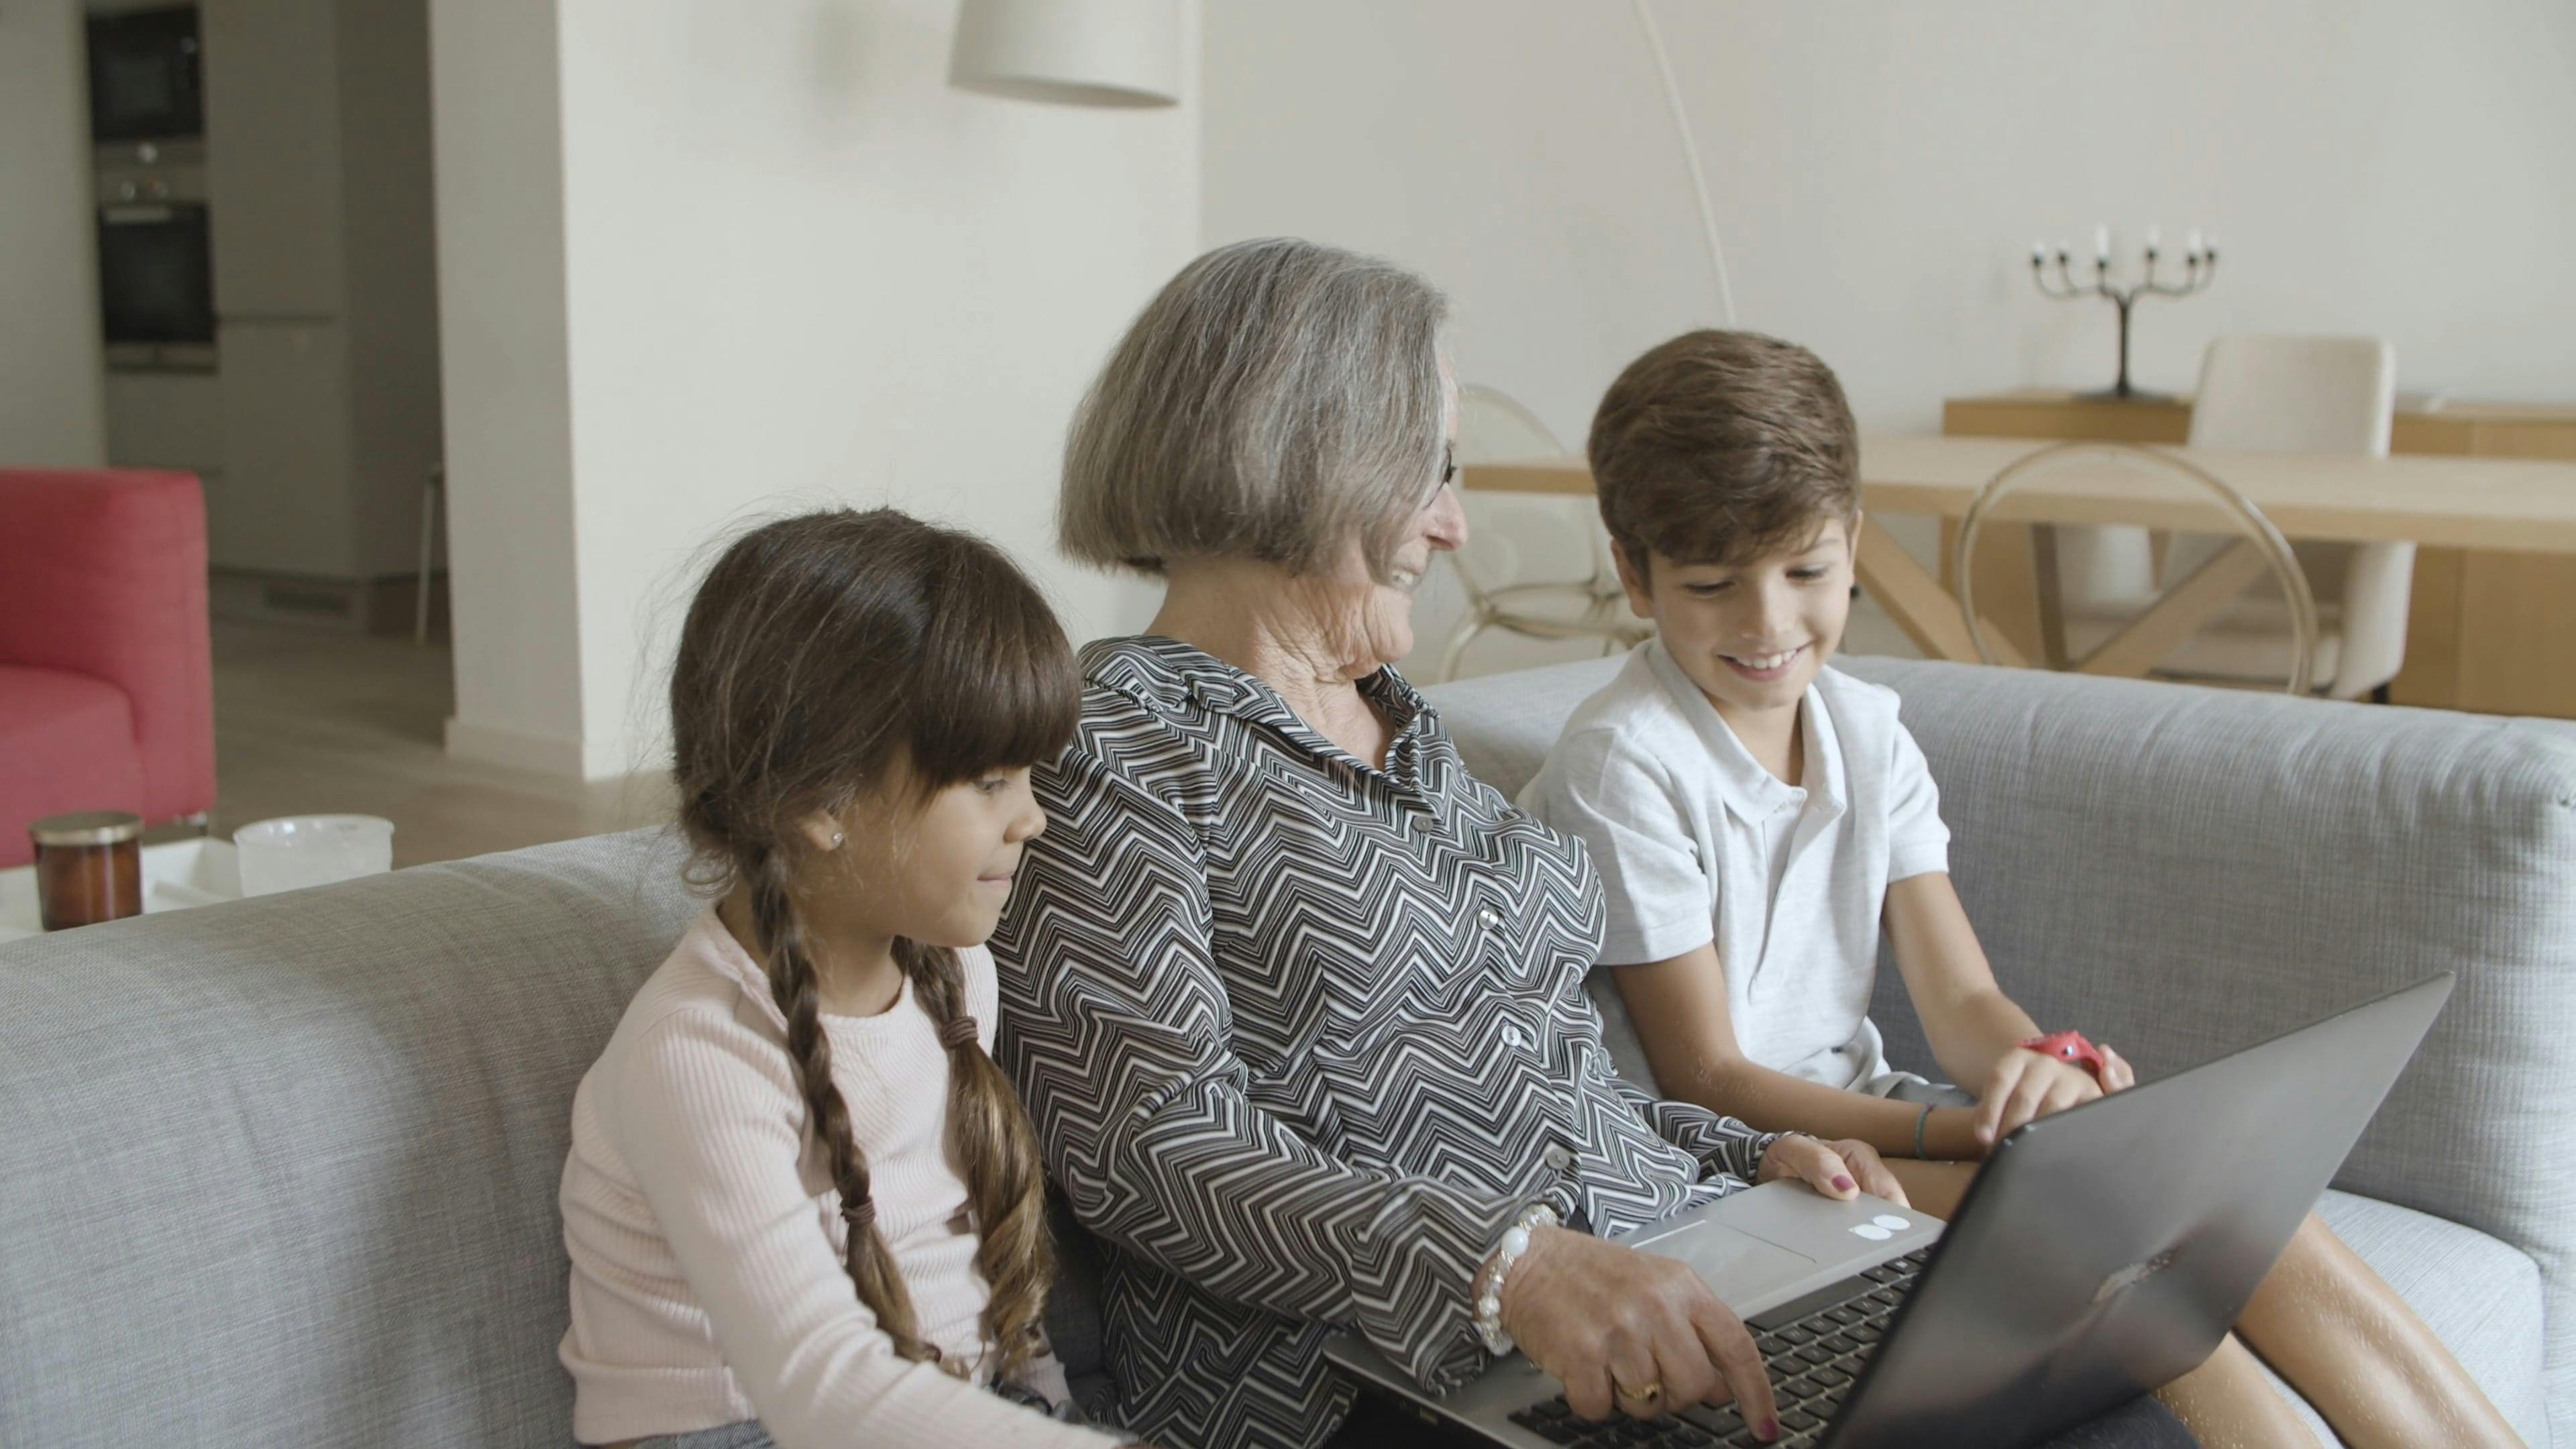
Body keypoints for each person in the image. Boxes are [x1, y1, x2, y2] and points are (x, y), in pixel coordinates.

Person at [991, 237, 2194, 1449]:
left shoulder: (1408, 734)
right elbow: (1154, 1152)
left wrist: (1756, 1150)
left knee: (2108, 1405)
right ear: (1313, 464)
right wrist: (1506, 1265)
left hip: (1642, 1267)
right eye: (1431, 472)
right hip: (1371, 1373)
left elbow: (1558, 1088)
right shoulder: (1114, 744)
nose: (1455, 526)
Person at [1519, 328, 2526, 1449]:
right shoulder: (1627, 762)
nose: (1768, 623)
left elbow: (1961, 1005)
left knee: (2246, 1217)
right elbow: (1707, 1077)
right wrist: (1959, 1135)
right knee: (2123, 1241)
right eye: (1713, 586)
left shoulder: (1867, 730)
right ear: (1634, 573)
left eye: (1806, 571)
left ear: (1853, 539)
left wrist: (2034, 1072)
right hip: (1733, 1171)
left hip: (1880, 1127)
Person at [556, 510, 1132, 1449]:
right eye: (990, 781)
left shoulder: (958, 977)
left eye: (1029, 774)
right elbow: (822, 1393)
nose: (1032, 817)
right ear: (819, 801)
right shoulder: (696, 1055)